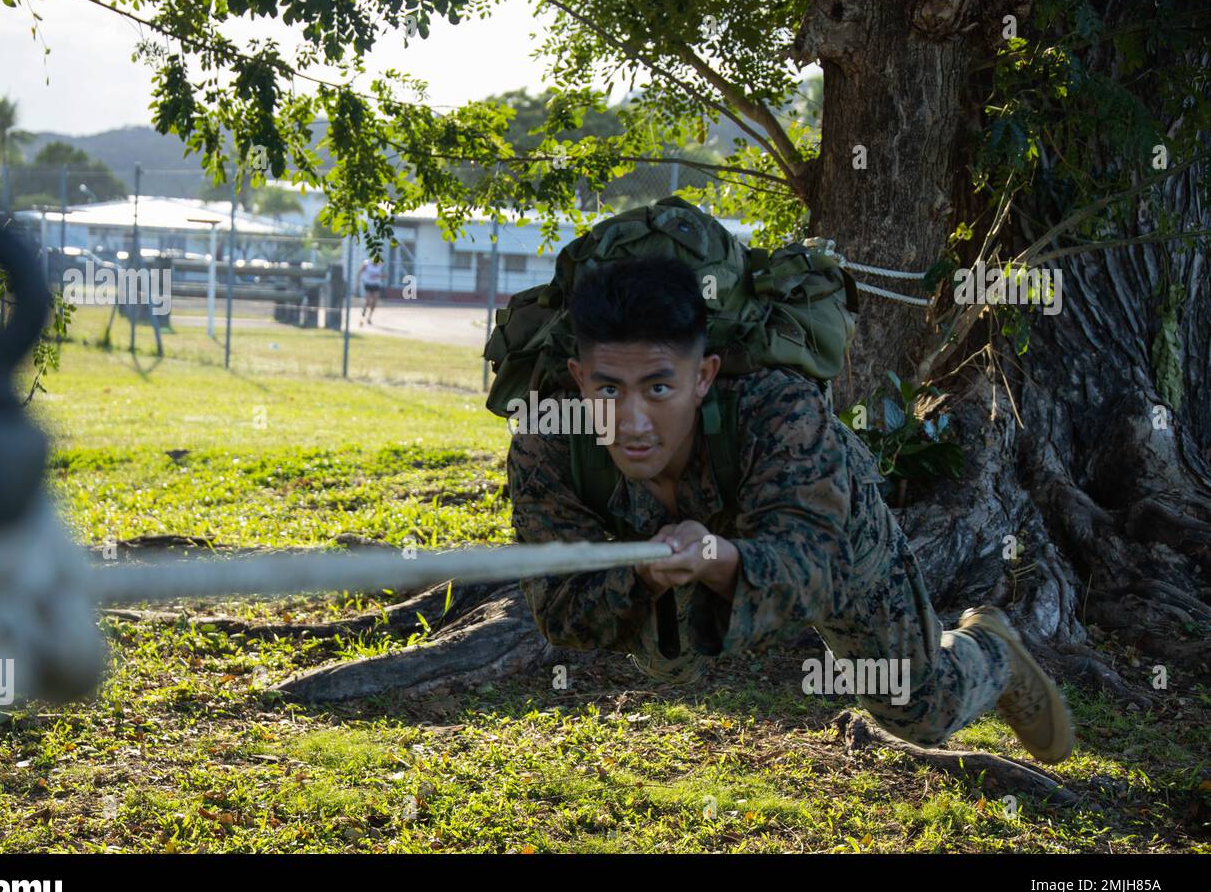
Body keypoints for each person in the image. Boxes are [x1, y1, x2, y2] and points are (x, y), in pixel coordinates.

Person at [506, 255, 1075, 763]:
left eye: (657, 389)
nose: (631, 423)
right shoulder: (549, 441)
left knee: (920, 711)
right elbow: (562, 612)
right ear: (580, 380)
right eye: (608, 391)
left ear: (703, 375)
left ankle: (994, 652)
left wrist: (719, 559)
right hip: (686, 547)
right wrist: (642, 576)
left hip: (823, 529)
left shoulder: (778, 407)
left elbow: (816, 573)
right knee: (666, 658)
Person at [358, 257, 384, 325]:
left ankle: (369, 318)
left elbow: (383, 275)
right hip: (368, 284)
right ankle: (363, 315)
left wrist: (379, 276)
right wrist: (357, 283)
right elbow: (359, 272)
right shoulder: (366, 263)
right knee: (368, 301)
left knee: (374, 301)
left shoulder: (380, 264)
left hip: (376, 284)